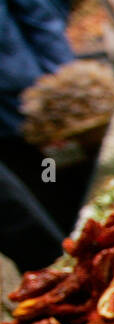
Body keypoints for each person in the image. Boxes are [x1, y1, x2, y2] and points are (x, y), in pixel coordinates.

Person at [0, 0, 76, 269]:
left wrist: (63, 83)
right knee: (30, 205)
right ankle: (62, 267)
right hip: (7, 136)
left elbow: (40, 18)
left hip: (34, 102)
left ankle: (74, 253)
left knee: (63, 182)